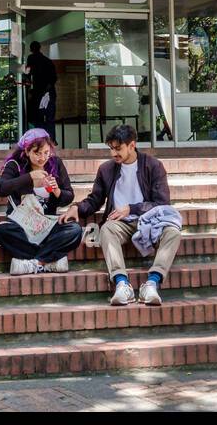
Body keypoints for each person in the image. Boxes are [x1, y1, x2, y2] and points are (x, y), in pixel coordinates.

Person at [60, 124, 182, 306]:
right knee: (107, 229)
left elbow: (162, 204)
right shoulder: (106, 170)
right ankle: (121, 283)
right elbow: (95, 199)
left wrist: (131, 209)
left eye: (118, 148)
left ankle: (152, 283)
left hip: (149, 221)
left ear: (132, 145)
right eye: (111, 148)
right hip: (120, 223)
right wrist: (77, 208)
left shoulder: (153, 166)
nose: (113, 153)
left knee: (173, 232)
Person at [0, 128, 83, 275]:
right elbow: (1, 189)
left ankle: (34, 263)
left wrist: (57, 191)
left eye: (46, 152)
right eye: (37, 153)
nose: (42, 158)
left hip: (47, 224)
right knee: (1, 231)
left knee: (75, 230)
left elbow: (69, 196)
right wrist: (29, 177)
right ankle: (49, 262)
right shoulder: (15, 165)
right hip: (22, 225)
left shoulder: (55, 163)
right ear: (27, 151)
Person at [23, 40, 57, 137]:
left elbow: (27, 73)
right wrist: (47, 89)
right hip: (50, 93)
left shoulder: (32, 58)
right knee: (50, 118)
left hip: (39, 93)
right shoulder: (48, 61)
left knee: (38, 118)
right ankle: (51, 139)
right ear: (40, 48)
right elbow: (54, 78)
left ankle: (40, 139)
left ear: (31, 49)